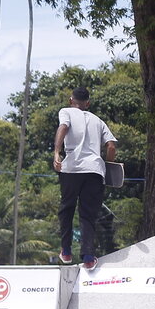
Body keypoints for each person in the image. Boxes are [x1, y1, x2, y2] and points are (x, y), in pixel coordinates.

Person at [53, 87, 117, 269]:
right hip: (94, 171)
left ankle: (66, 251)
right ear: (88, 103)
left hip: (71, 168)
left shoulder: (66, 112)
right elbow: (111, 147)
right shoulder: (98, 120)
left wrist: (57, 153)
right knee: (88, 215)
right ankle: (88, 257)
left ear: (70, 100)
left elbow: (63, 127)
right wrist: (108, 166)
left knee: (67, 208)